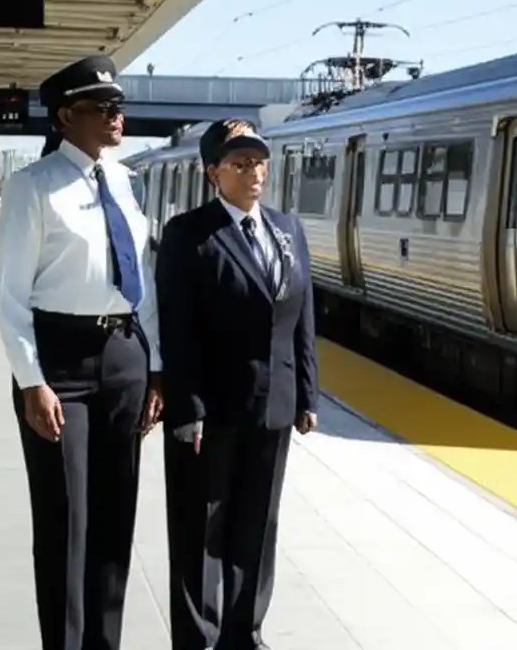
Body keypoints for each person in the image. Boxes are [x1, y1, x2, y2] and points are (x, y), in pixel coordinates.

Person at [0, 54, 164, 650]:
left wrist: (157, 367)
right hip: (59, 361)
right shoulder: (31, 187)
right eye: (104, 108)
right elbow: (11, 297)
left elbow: (143, 282)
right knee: (67, 521)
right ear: (66, 116)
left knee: (116, 518)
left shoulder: (124, 182)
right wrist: (30, 381)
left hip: (124, 356)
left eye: (120, 107)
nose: (118, 117)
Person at [155, 119, 319, 650]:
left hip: (274, 407)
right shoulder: (189, 234)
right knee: (202, 529)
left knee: (257, 525)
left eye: (259, 163)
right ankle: (198, 637)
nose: (255, 173)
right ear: (213, 173)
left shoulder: (286, 228)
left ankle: (244, 632)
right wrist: (187, 407)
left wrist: (308, 395)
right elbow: (175, 327)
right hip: (212, 410)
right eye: (240, 163)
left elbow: (302, 317)